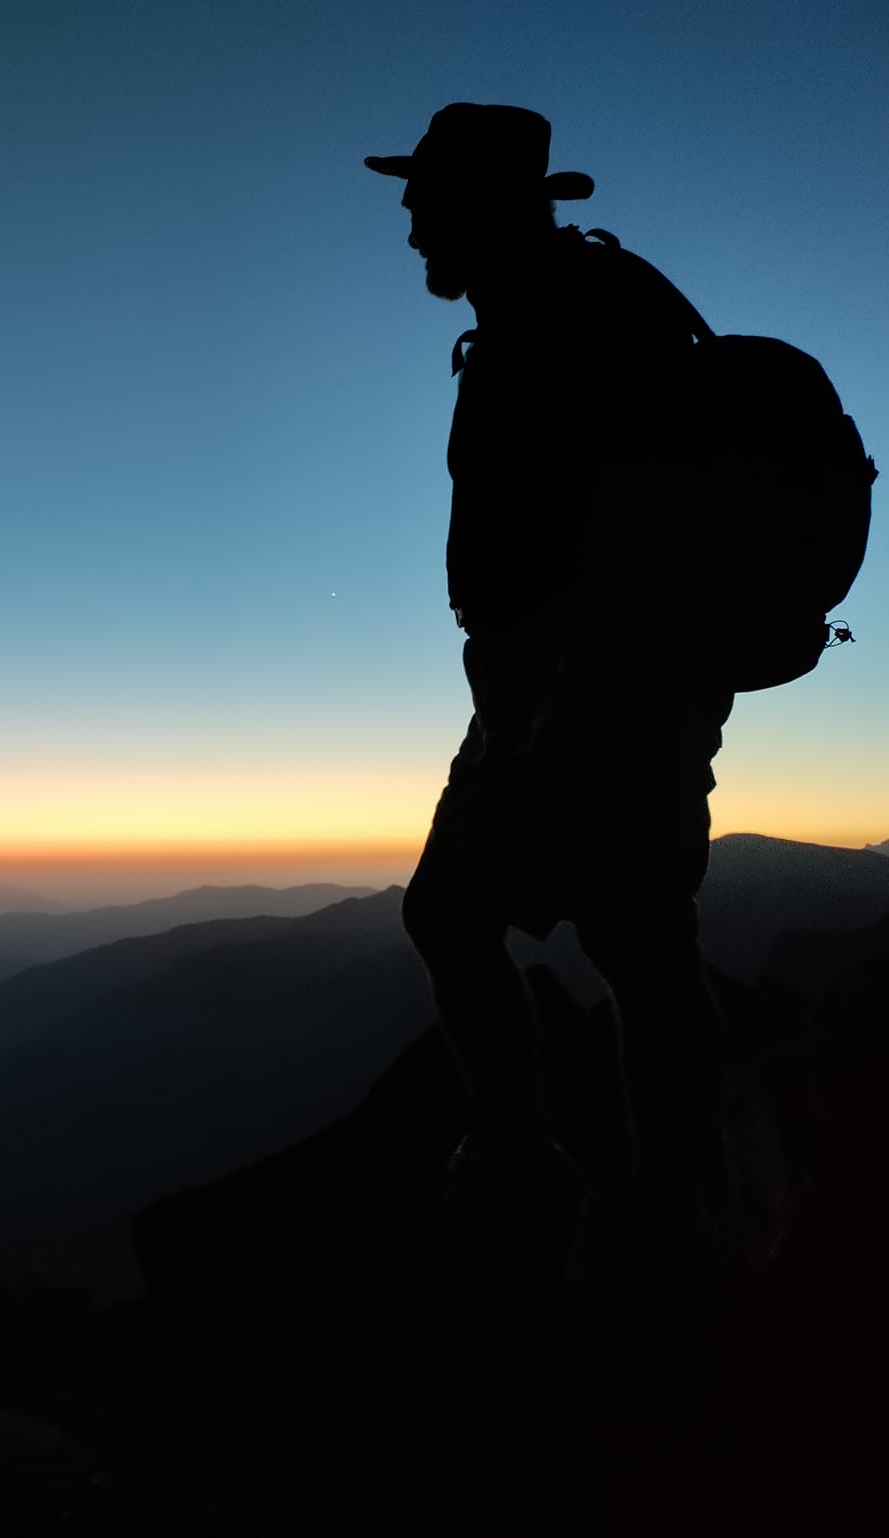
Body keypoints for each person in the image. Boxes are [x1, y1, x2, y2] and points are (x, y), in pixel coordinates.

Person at [369, 104, 734, 1280]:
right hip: (535, 689)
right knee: (454, 913)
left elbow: (632, 524)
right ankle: (524, 1160)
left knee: (636, 942)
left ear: (486, 205)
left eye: (426, 199)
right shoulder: (540, 312)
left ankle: (665, 1222)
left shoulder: (581, 322)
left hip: (612, 688)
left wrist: (572, 701)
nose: (411, 218)